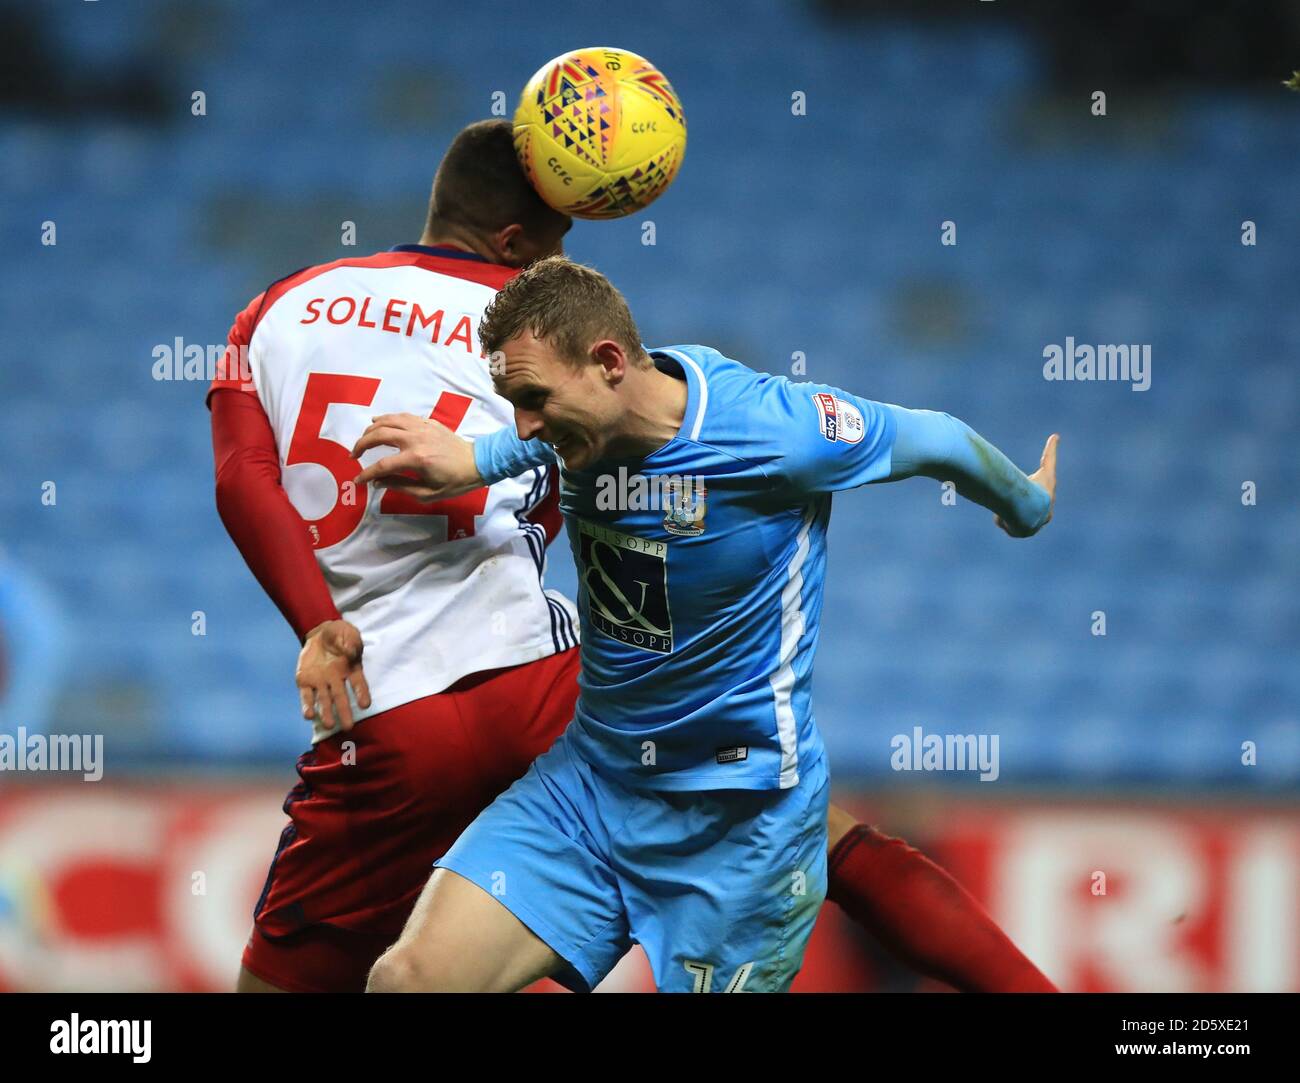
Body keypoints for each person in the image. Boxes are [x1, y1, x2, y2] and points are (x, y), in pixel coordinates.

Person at [355, 255, 1060, 992]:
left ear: (607, 363)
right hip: (594, 785)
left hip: (741, 821)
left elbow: (936, 437)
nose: (524, 422)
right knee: (406, 983)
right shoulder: (580, 422)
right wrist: (474, 458)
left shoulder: (773, 433)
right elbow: (534, 432)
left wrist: (1025, 504)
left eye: (532, 397)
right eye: (512, 401)